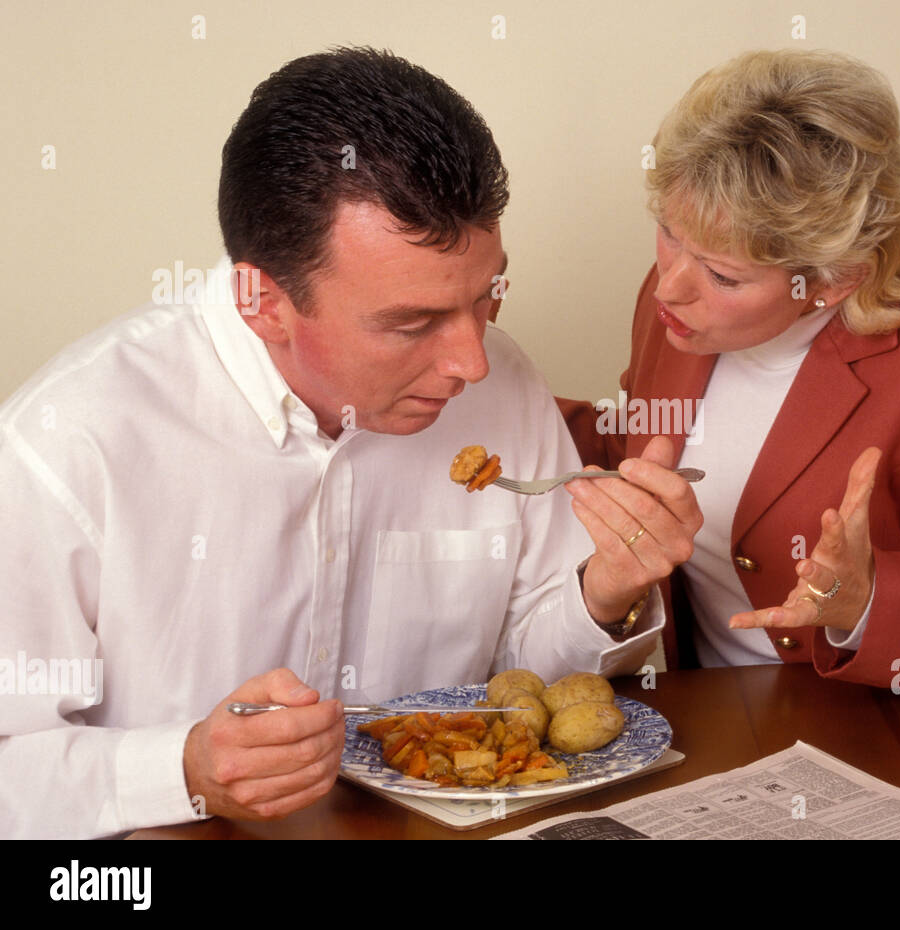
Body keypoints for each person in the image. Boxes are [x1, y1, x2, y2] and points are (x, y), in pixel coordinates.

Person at [0, 47, 700, 839]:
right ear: (263, 302)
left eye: (486, 296)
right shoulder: (70, 442)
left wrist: (601, 590)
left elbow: (523, 683)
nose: (472, 361)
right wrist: (185, 770)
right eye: (410, 324)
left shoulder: (502, 382)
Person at [562, 49, 900, 686]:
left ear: (836, 281)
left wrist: (866, 602)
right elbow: (634, 451)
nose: (670, 285)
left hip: (882, 729)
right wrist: (483, 388)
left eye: (724, 275)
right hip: (700, 714)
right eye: (668, 233)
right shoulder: (674, 303)